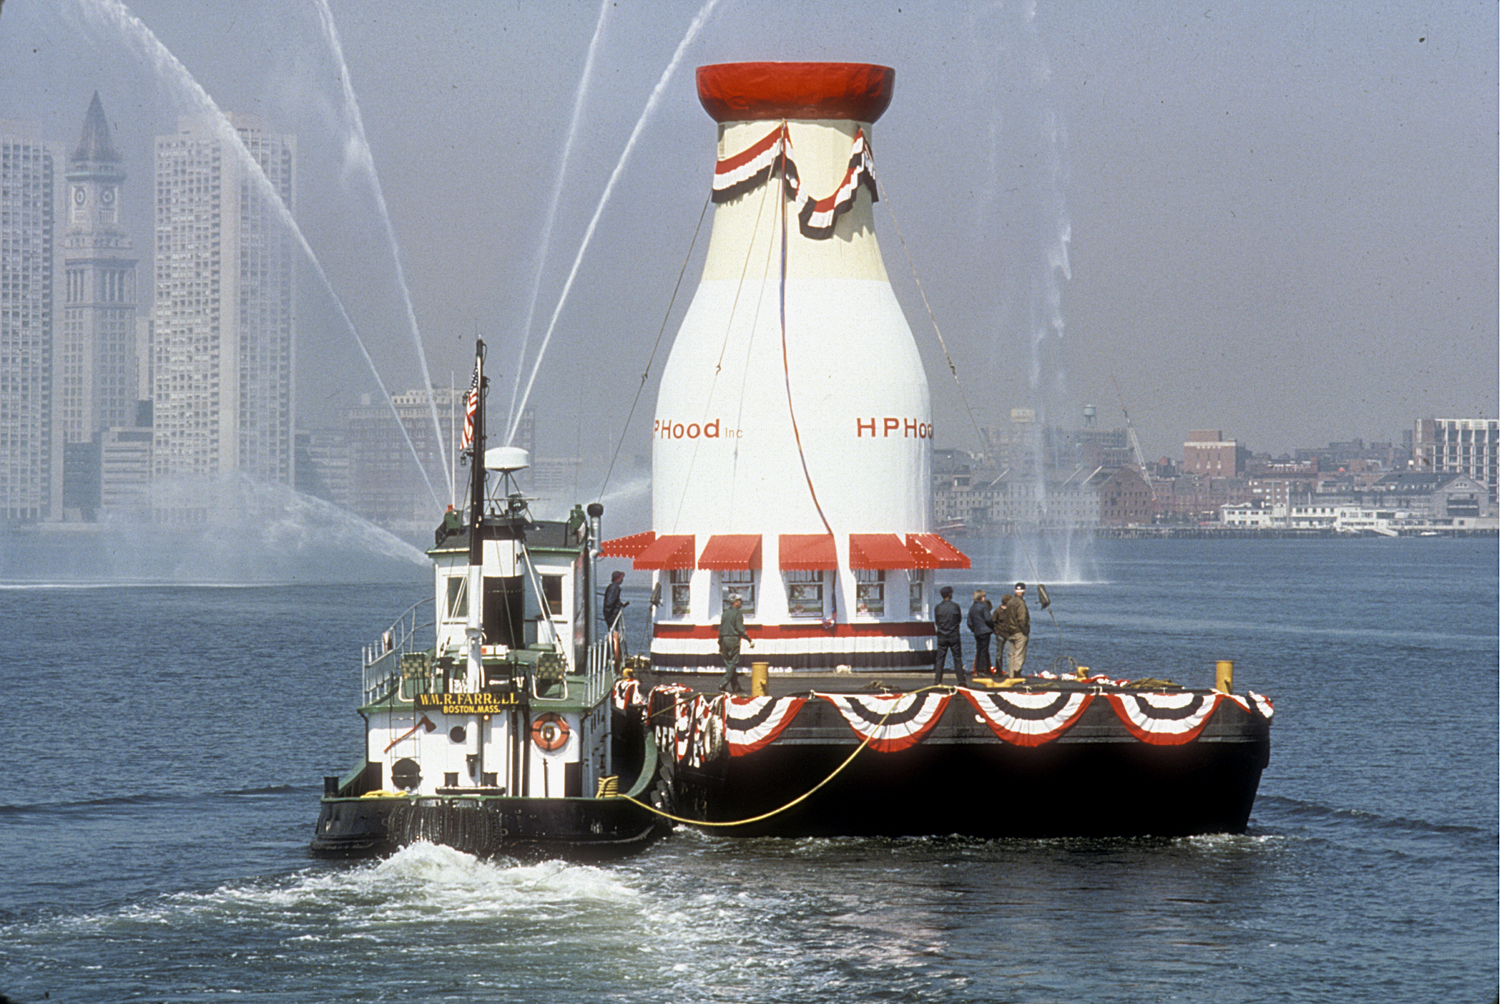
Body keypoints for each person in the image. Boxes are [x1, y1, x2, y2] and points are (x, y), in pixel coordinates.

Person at [718, 592, 754, 693]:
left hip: (724, 639)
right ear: (735, 602)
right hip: (733, 639)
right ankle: (723, 683)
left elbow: (720, 628)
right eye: (740, 601)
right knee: (733, 663)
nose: (741, 602)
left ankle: (736, 687)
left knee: (729, 664)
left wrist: (720, 643)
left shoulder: (725, 613)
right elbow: (740, 629)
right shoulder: (737, 613)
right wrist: (749, 639)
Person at [932, 585, 966, 687]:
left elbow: (937, 622)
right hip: (954, 635)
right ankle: (961, 681)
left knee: (940, 659)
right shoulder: (955, 606)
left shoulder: (938, 607)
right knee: (957, 658)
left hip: (942, 636)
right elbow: (959, 620)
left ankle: (937, 681)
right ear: (950, 594)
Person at [1004, 581, 1031, 678]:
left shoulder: (1010, 602)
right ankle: (1016, 674)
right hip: (1019, 632)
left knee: (1012, 655)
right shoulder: (1021, 603)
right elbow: (1022, 619)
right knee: (1019, 655)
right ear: (1024, 591)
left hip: (1010, 632)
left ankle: (1011, 675)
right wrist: (1025, 631)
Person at [967, 588, 994, 677]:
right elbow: (988, 619)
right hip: (985, 631)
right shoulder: (984, 607)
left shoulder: (972, 608)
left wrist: (974, 629)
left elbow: (969, 622)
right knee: (984, 650)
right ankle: (982, 669)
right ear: (982, 597)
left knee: (979, 649)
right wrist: (992, 626)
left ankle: (978, 668)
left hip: (977, 632)